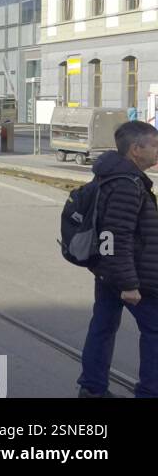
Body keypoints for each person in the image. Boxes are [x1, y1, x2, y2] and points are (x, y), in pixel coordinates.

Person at [78, 120, 158, 398]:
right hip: (132, 275)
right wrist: (128, 283)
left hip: (109, 271)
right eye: (155, 145)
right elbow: (116, 235)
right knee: (154, 332)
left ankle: (92, 387)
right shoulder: (127, 184)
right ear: (136, 149)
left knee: (103, 326)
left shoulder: (113, 175)